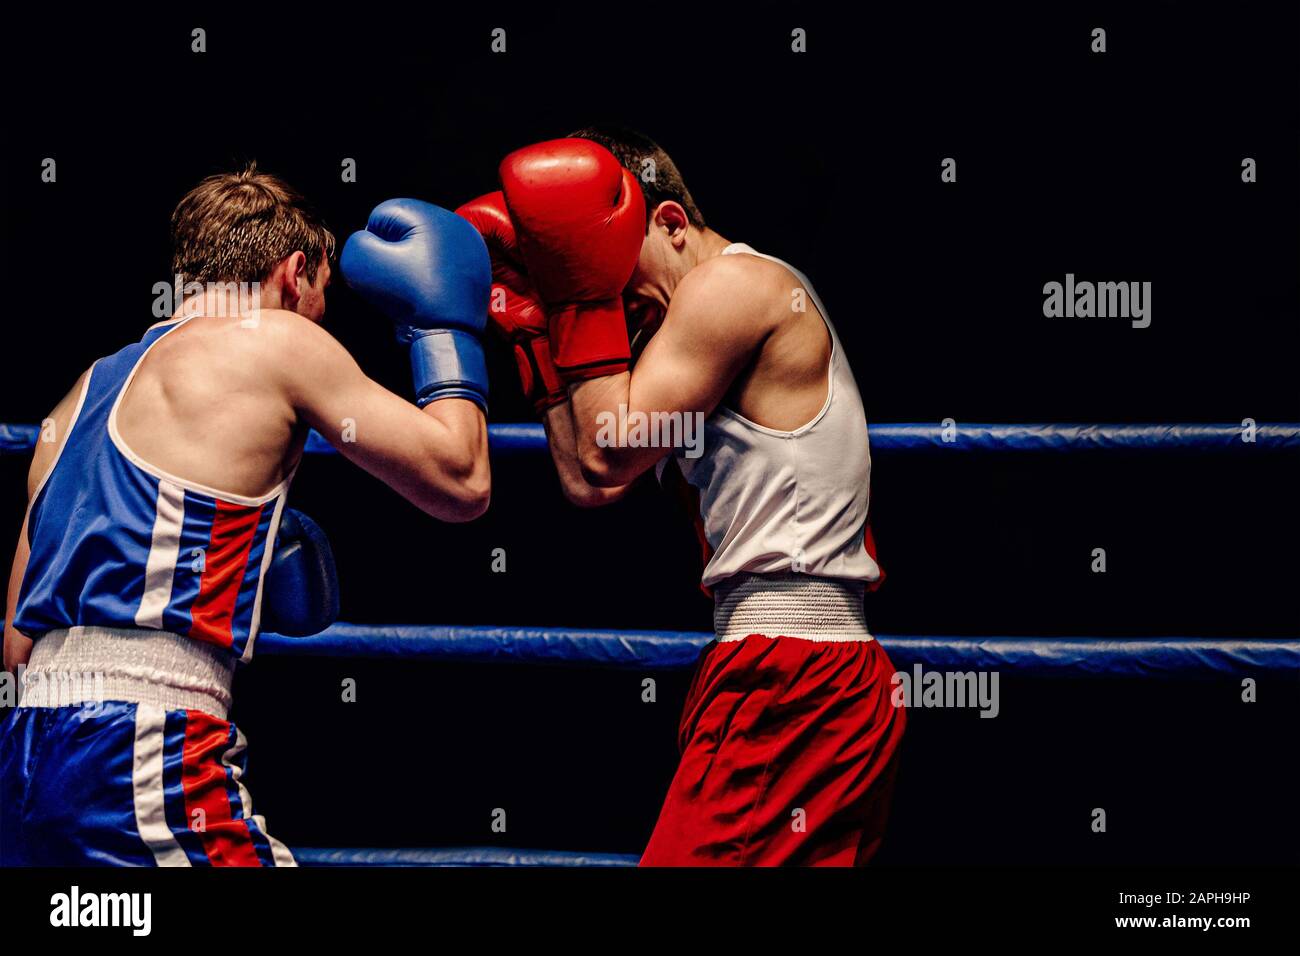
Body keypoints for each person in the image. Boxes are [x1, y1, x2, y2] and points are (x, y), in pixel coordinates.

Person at [1, 167, 492, 865]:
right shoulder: (274, 339)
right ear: (295, 273)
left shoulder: (79, 396)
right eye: (321, 297)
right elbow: (462, 476)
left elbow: (18, 647)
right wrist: (444, 328)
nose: (321, 320)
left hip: (26, 760)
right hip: (137, 754)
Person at [460, 130, 905, 866]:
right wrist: (535, 338)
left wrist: (577, 296)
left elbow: (608, 445)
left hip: (791, 674)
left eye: (613, 267)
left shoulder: (734, 286)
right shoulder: (683, 327)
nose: (617, 299)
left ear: (669, 223)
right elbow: (590, 479)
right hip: (793, 670)